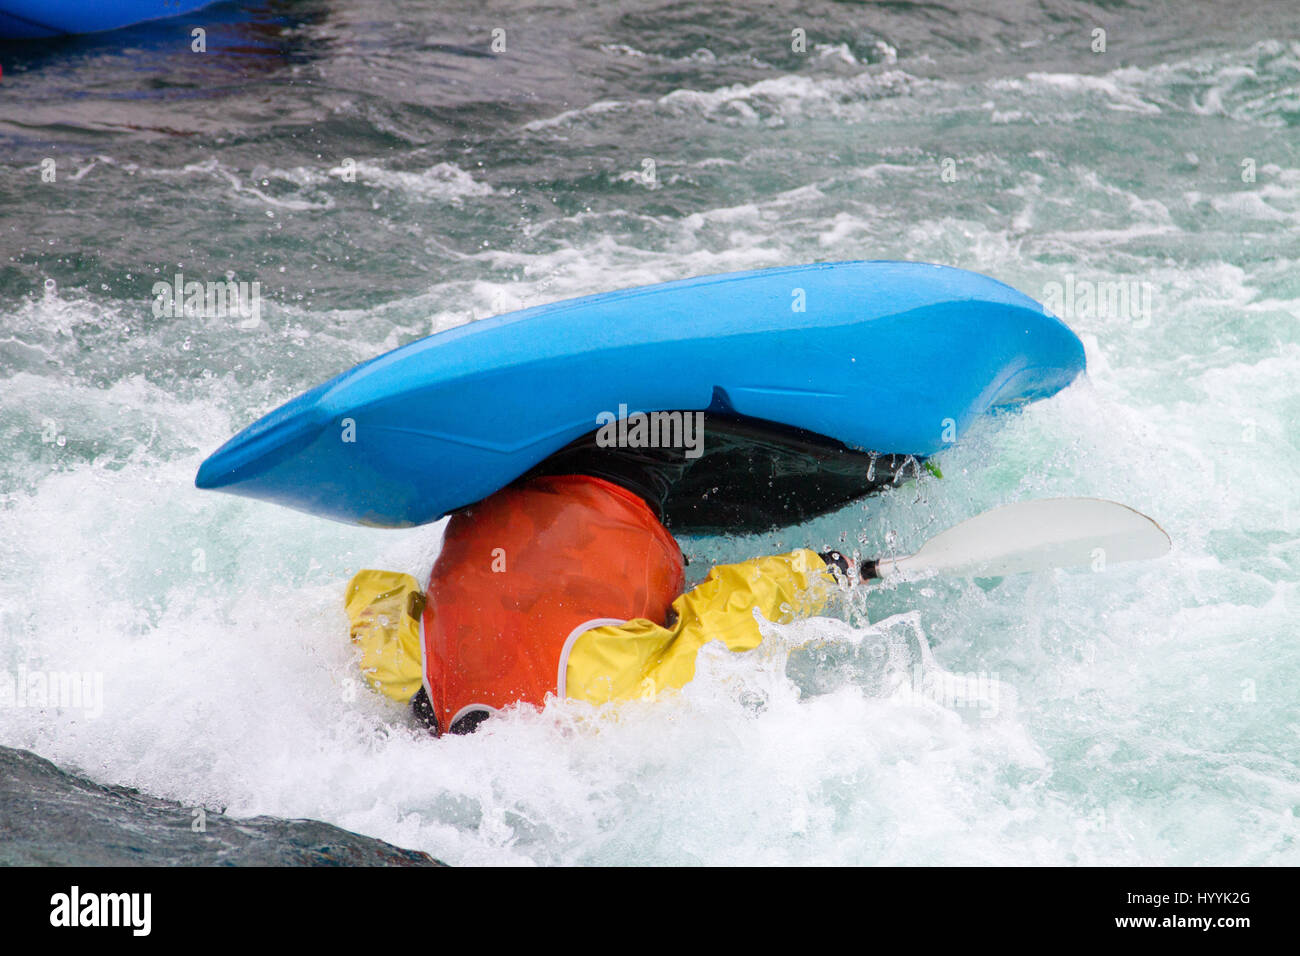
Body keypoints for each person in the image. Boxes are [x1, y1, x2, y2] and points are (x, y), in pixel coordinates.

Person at [345, 450, 854, 736]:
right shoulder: (415, 680)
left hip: (624, 468)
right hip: (496, 473)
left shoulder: (605, 697)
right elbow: (374, 590)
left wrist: (819, 572)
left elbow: (721, 618)